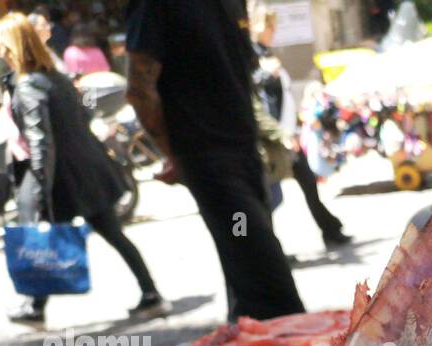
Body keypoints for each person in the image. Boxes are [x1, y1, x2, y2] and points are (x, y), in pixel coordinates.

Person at [125, 0, 305, 321]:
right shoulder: (156, 7)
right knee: (260, 267)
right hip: (209, 160)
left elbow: (239, 73)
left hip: (245, 153)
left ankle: (248, 342)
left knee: (246, 269)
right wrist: (173, 152)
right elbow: (140, 89)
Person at [0, 13, 167, 325]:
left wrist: (43, 189)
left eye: (1, 46)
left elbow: (41, 142)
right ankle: (150, 293)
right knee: (109, 234)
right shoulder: (54, 76)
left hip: (66, 178)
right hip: (87, 171)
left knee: (43, 240)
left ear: (11, 48)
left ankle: (34, 306)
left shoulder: (30, 85)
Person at [249, 2, 351, 248]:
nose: (273, 31)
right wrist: (280, 133)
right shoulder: (252, 56)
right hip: (272, 140)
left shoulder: (265, 53)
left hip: (285, 134)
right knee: (270, 198)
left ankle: (330, 229)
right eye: (269, 26)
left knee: (305, 185)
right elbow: (256, 102)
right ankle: (264, 250)